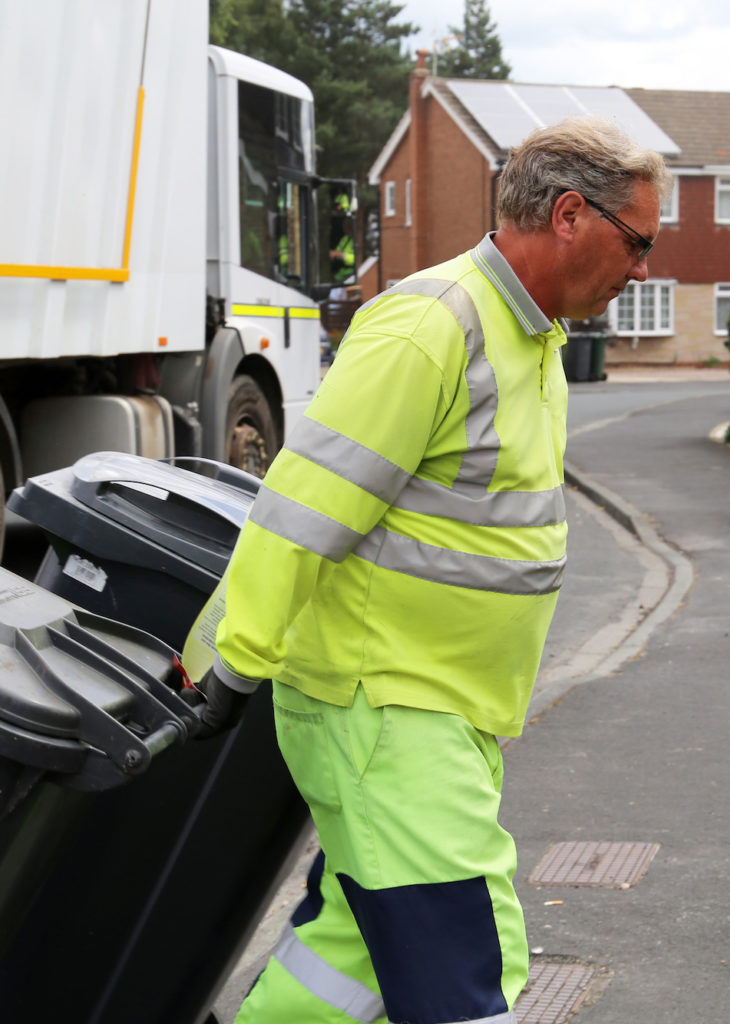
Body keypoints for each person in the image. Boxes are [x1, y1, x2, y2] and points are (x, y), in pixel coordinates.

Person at [190, 115, 670, 1024]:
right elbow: (306, 502)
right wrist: (232, 654)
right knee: (470, 964)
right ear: (570, 215)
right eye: (637, 241)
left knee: (354, 955)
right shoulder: (430, 324)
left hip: (442, 714)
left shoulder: (532, 338)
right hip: (387, 710)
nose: (641, 267)